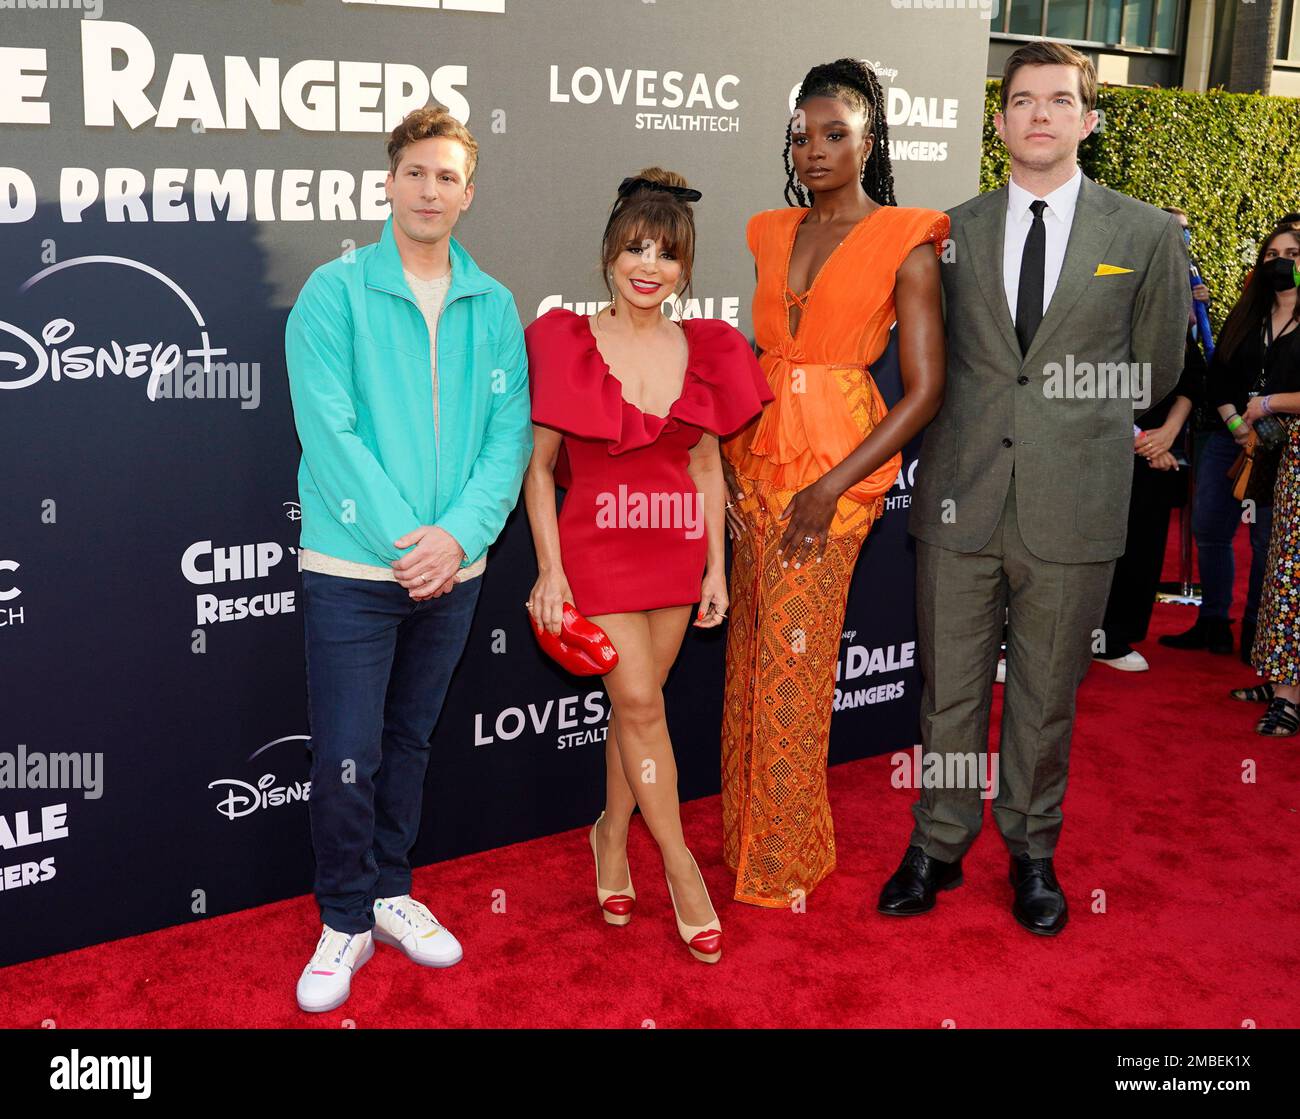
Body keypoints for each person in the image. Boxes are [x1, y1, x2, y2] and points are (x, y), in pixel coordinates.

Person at [883, 41, 1189, 935]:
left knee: (1047, 694)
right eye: (1023, 100)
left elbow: (1157, 367)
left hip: (1076, 503)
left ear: (1088, 119)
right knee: (948, 692)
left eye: (1060, 99)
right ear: (1002, 119)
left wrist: (1073, 417)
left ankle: (1031, 849)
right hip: (959, 501)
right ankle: (937, 842)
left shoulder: (1143, 233)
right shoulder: (952, 230)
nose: (1041, 113)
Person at [285, 106, 532, 1012]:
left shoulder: (494, 305)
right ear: (389, 182)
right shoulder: (334, 292)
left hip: (453, 574)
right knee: (347, 753)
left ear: (469, 193)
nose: (431, 190)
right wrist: (406, 544)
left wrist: (458, 540)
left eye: (448, 177)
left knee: (409, 742)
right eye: (416, 173)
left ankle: (391, 892)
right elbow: (329, 430)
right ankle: (343, 918)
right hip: (356, 571)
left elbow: (508, 440)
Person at [522, 169, 773, 962]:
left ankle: (608, 832)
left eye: (666, 254)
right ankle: (681, 867)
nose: (648, 265)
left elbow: (707, 471)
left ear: (685, 270)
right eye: (635, 247)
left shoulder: (707, 349)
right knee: (637, 704)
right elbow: (538, 469)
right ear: (607, 254)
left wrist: (716, 572)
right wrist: (550, 572)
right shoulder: (564, 340)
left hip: (673, 555)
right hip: (594, 547)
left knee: (639, 713)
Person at [719, 58, 948, 908]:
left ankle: (784, 861)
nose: (814, 149)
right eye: (801, 135)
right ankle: (747, 837)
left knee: (795, 665)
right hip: (758, 459)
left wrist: (827, 489)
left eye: (835, 134)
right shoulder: (769, 230)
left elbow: (925, 389)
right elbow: (759, 357)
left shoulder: (909, 236)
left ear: (869, 138)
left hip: (837, 474)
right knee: (749, 657)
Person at [1094, 208, 1206, 672]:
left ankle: (1115, 638)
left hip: (1157, 444)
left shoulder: (1177, 299)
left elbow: (1192, 373)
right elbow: (1082, 373)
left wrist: (1168, 433)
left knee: (1143, 541)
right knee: (1093, 542)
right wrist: (1140, 438)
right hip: (1101, 440)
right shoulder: (1103, 284)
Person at [1216, 224, 1300, 733]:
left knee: (1290, 571)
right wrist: (1241, 424)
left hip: (1291, 453)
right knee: (1279, 568)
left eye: (1292, 254)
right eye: (1273, 253)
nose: (1281, 262)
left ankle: (1289, 696)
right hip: (1277, 459)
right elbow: (1220, 375)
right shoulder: (1252, 315)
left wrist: (1266, 404)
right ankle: (1280, 677)